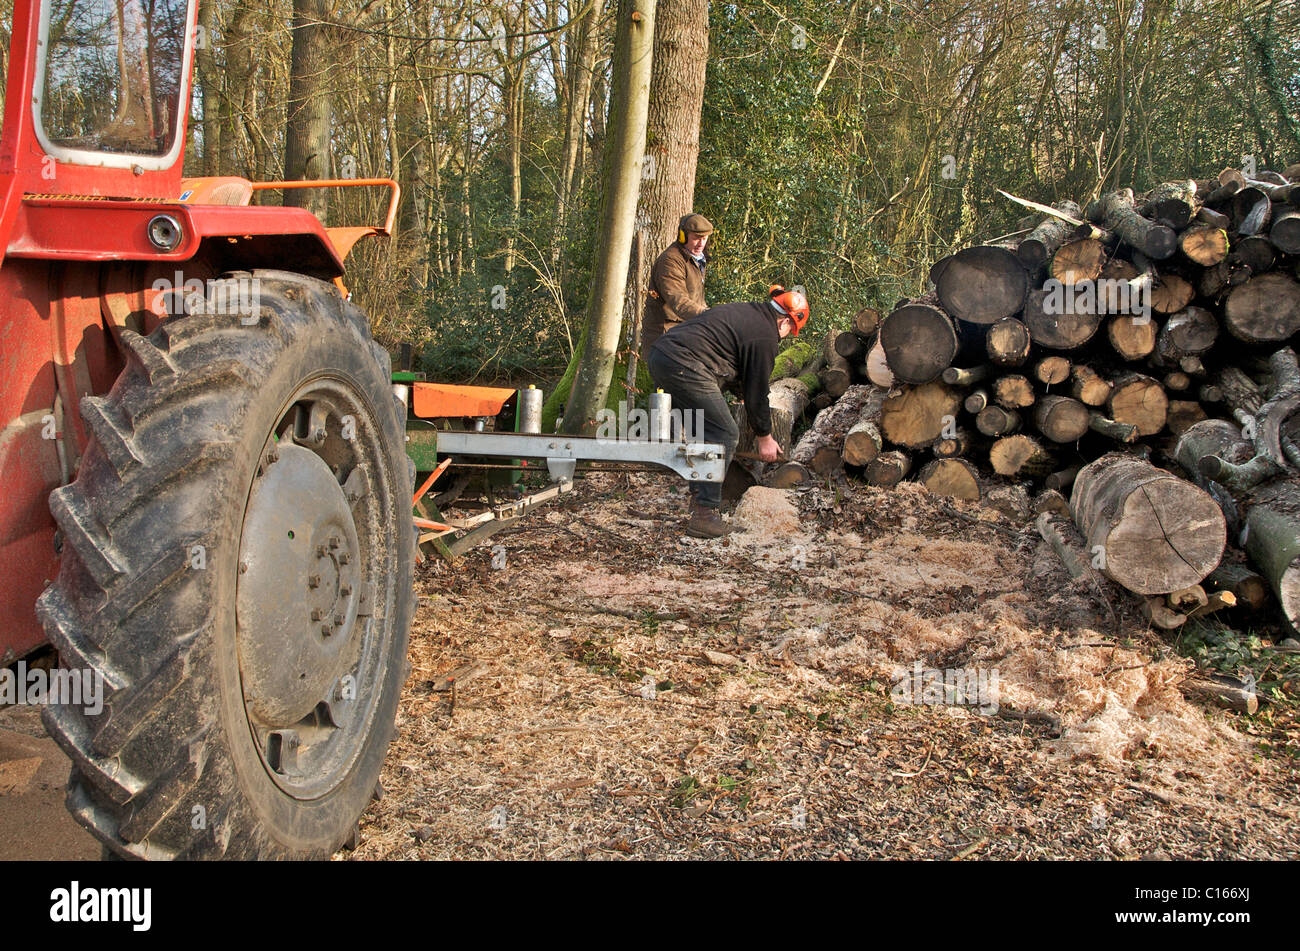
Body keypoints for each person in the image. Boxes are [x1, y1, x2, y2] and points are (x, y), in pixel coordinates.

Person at [646, 286, 810, 538]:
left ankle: (700, 501)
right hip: (685, 363)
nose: (786, 337)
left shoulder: (749, 313)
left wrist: (741, 394)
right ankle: (705, 516)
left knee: (702, 432)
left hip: (663, 355)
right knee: (724, 434)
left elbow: (732, 361)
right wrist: (764, 437)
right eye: (790, 331)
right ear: (787, 321)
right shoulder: (765, 336)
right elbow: (757, 390)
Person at [640, 213, 713, 359]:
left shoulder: (696, 259)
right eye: (696, 238)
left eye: (704, 239)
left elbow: (696, 299)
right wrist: (709, 315)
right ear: (683, 236)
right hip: (665, 336)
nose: (701, 244)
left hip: (685, 332)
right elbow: (678, 301)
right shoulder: (670, 261)